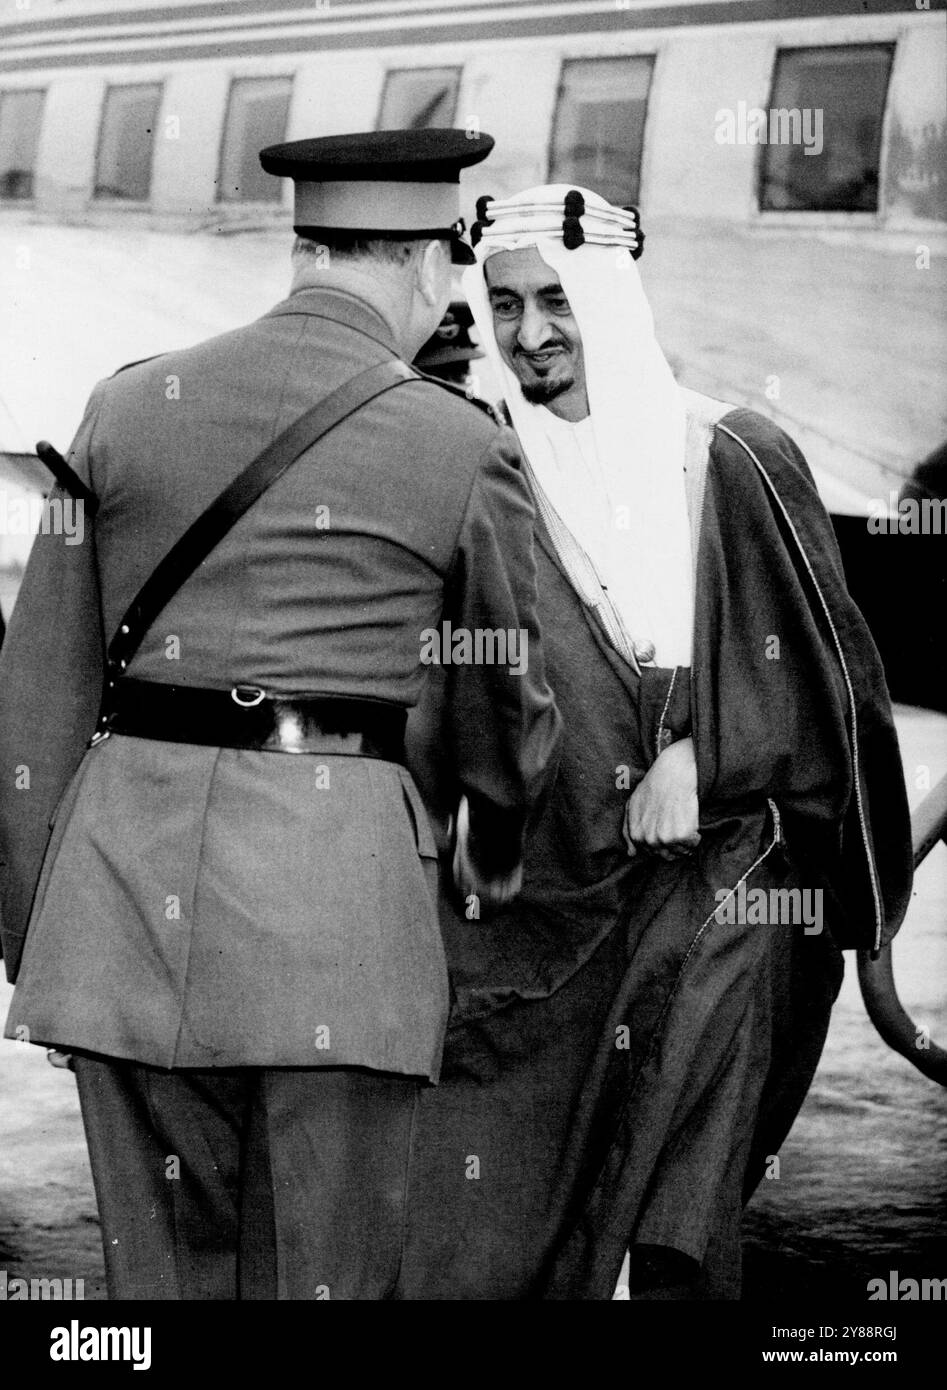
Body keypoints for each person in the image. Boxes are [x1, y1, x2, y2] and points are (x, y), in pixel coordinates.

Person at [0, 133, 561, 1300]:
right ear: (428, 264)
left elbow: (35, 695)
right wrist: (496, 830)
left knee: (160, 1284)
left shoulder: (123, 406)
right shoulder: (458, 444)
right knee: (323, 1278)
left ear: (304, 249)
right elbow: (500, 691)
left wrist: (38, 937)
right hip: (334, 924)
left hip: (122, 910)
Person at [397, 184, 913, 1299]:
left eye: (556, 301)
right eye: (504, 304)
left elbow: (834, 691)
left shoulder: (729, 457)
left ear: (611, 299)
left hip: (721, 871)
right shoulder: (486, 465)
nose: (529, 334)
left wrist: (706, 755)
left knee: (675, 1143)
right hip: (548, 893)